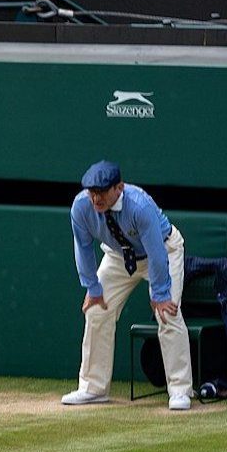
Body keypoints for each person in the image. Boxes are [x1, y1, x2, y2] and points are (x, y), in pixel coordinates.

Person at [65, 160, 193, 410]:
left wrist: (160, 292)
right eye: (92, 192)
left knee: (167, 313)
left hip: (164, 250)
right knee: (96, 310)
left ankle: (180, 390)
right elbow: (82, 247)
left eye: (101, 192)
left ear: (119, 188)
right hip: (118, 256)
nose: (96, 198)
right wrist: (92, 287)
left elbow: (157, 252)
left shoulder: (140, 205)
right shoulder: (81, 207)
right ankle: (93, 388)